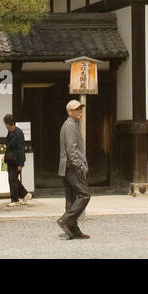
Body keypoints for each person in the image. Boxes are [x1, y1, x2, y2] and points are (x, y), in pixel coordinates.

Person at [57, 99, 90, 239]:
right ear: (69, 111)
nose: (80, 111)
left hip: (68, 167)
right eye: (77, 109)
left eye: (80, 109)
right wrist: (80, 165)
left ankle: (73, 229)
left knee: (71, 199)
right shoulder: (70, 125)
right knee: (84, 195)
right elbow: (72, 149)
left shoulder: (70, 124)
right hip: (72, 167)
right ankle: (64, 220)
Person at [2, 114, 31, 206]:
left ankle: (15, 200)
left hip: (16, 160)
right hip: (10, 159)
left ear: (10, 124)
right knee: (13, 179)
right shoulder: (10, 132)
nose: (6, 126)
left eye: (7, 124)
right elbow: (9, 147)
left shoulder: (18, 133)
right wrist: (5, 157)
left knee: (12, 179)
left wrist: (20, 164)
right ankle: (25, 194)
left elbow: (21, 149)